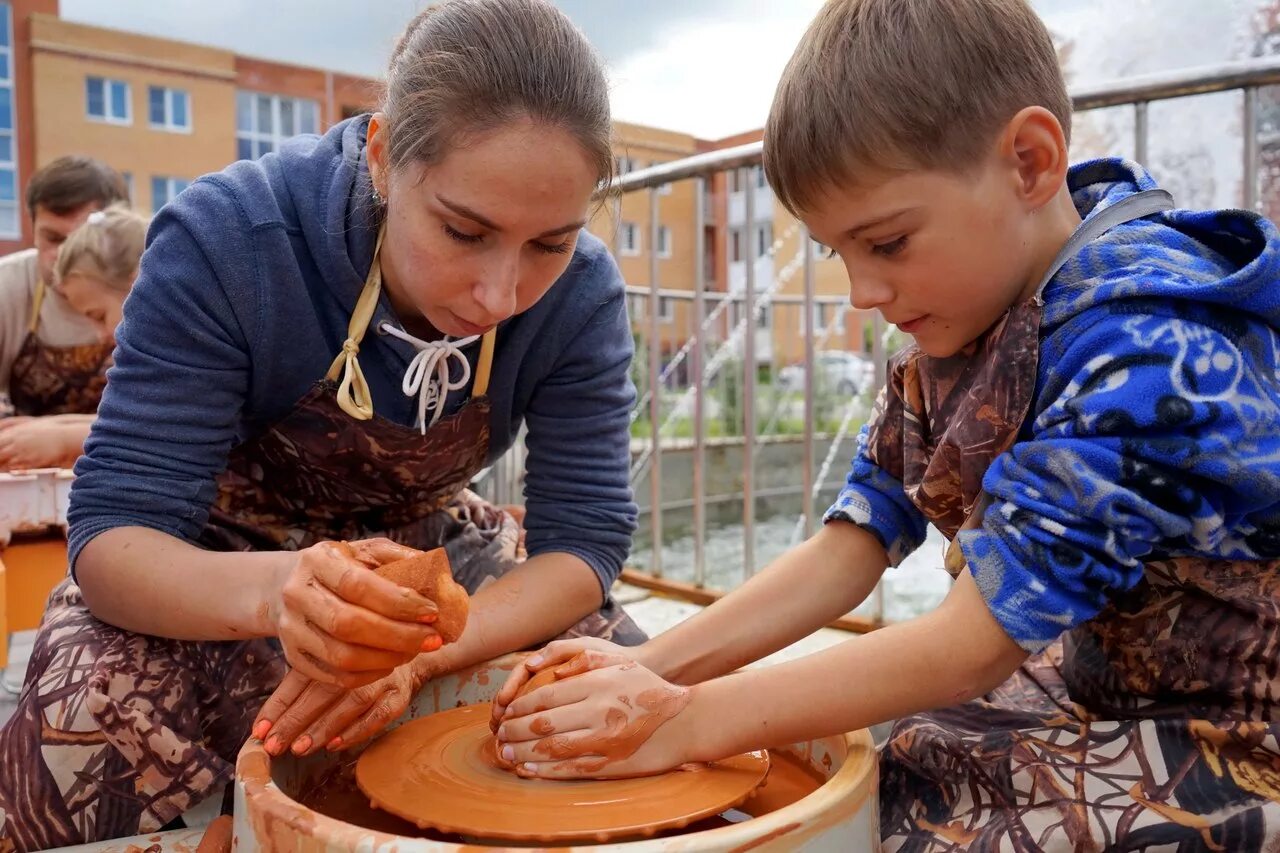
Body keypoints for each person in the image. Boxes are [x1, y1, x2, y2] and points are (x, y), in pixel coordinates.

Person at [492, 0, 1280, 849]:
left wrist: (681, 722)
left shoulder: (1148, 347)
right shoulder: (972, 311)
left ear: (1029, 161)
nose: (862, 293)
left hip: (1237, 737)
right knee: (850, 764)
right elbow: (852, 543)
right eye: (839, 253)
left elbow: (972, 644)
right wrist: (649, 668)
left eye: (889, 242)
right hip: (1095, 687)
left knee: (892, 823)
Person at [0, 0, 645, 846]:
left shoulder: (584, 293)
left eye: (549, 244)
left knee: (614, 688)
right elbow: (117, 537)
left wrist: (423, 653)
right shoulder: (229, 238)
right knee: (77, 725)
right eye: (464, 230)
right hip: (219, 558)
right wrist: (285, 594)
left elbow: (584, 542)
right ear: (381, 155)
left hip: (431, 571)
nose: (499, 294)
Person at [0, 203, 146, 469]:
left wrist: (63, 439)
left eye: (99, 316)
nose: (100, 335)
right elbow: (130, 417)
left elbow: (165, 427)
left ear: (137, 283)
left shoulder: (193, 342)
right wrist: (48, 426)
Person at [0, 156, 128, 427]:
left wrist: (60, 437)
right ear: (31, 229)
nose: (63, 256)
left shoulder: (151, 287)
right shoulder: (7, 284)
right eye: (53, 239)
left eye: (79, 241)